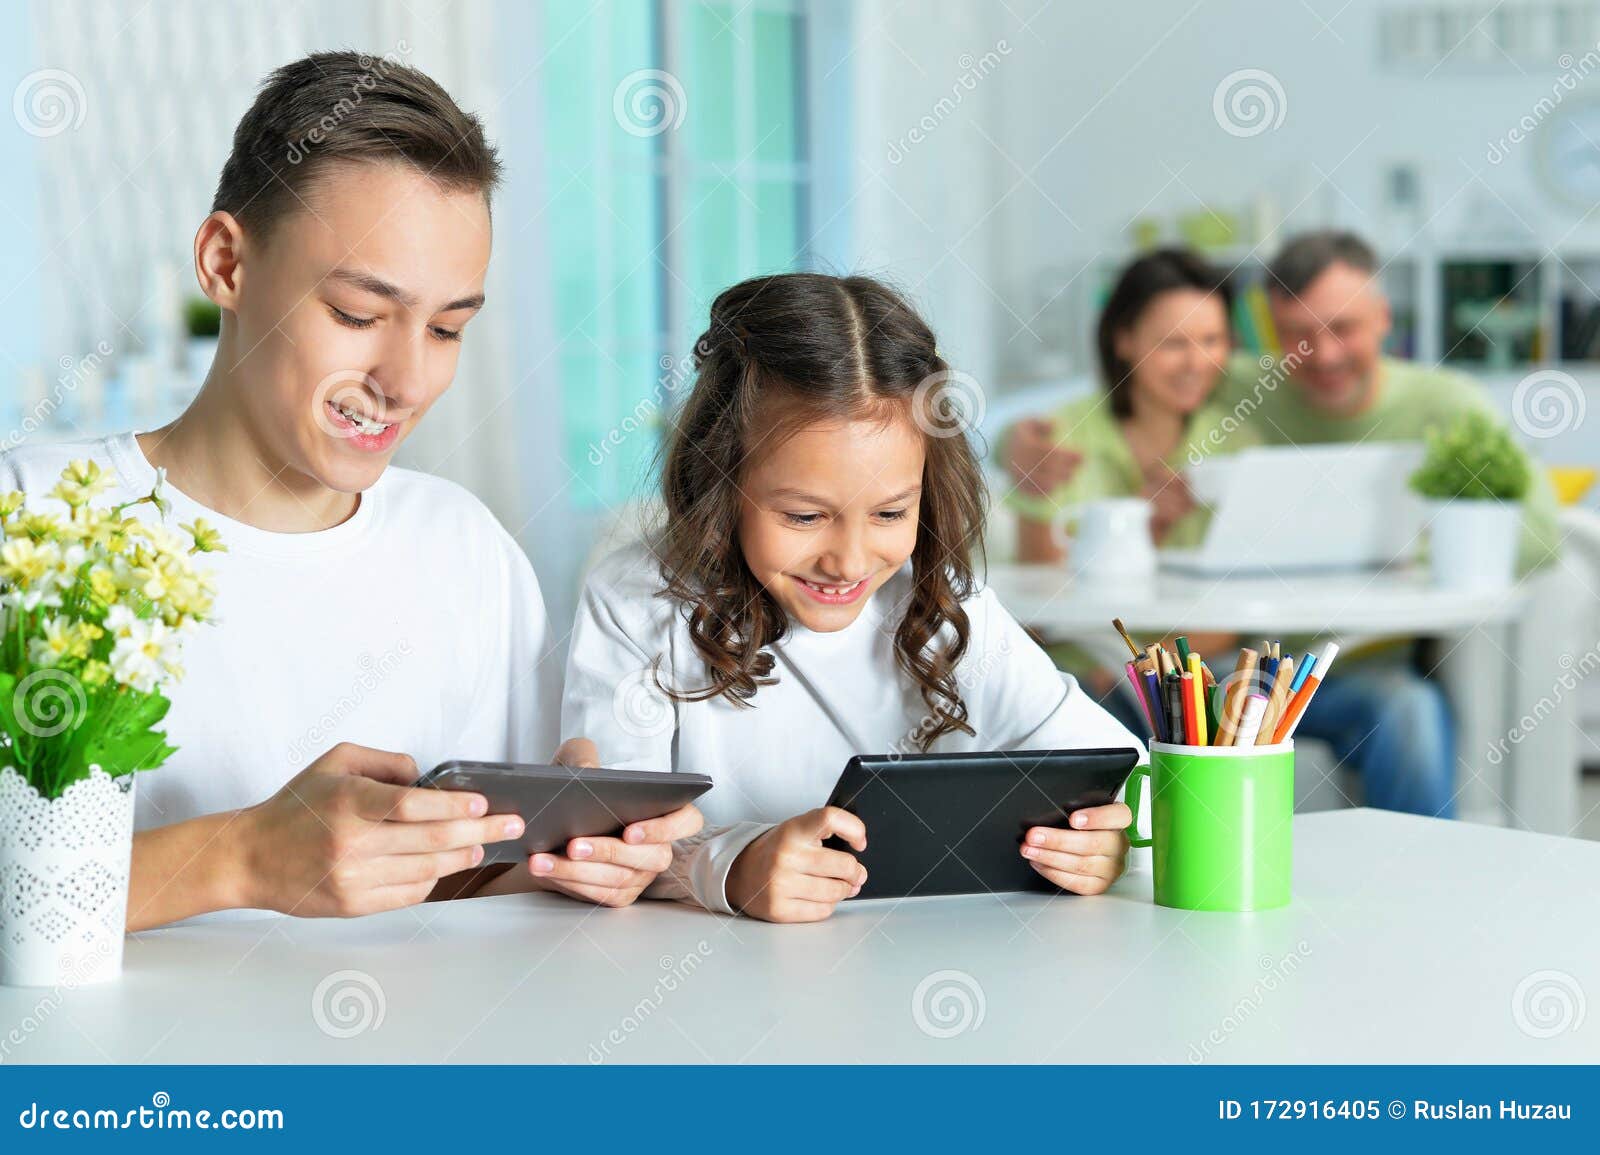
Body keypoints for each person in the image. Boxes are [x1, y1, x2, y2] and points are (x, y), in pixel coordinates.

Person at [0, 52, 700, 930]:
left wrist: (579, 859)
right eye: (357, 315)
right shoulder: (31, 520)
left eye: (446, 329)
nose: (405, 381)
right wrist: (242, 857)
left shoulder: (465, 550)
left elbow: (469, 882)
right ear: (225, 263)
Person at [561, 273, 1144, 924]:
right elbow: (613, 845)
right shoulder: (635, 600)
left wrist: (1107, 840)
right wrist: (728, 866)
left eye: (890, 513)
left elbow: (1127, 778)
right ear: (720, 480)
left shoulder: (946, 604)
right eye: (805, 517)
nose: (850, 561)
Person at [1004, 230, 1563, 816]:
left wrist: (1405, 551)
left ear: (1384, 318)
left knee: (1408, 711)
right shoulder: (1241, 389)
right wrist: (1010, 445)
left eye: (1343, 327)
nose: (1323, 354)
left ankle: (1421, 867)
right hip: (1217, 667)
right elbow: (1091, 409)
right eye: (1298, 334)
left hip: (1326, 664)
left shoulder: (1445, 404)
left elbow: (1541, 534)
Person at [1006, 248, 1253, 733]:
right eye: (1173, 343)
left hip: (1197, 672)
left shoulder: (1240, 444)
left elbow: (1231, 615)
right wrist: (1140, 525)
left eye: (1212, 340)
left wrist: (1143, 669)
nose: (1196, 362)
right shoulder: (1057, 440)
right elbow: (1038, 608)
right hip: (1080, 675)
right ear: (1123, 341)